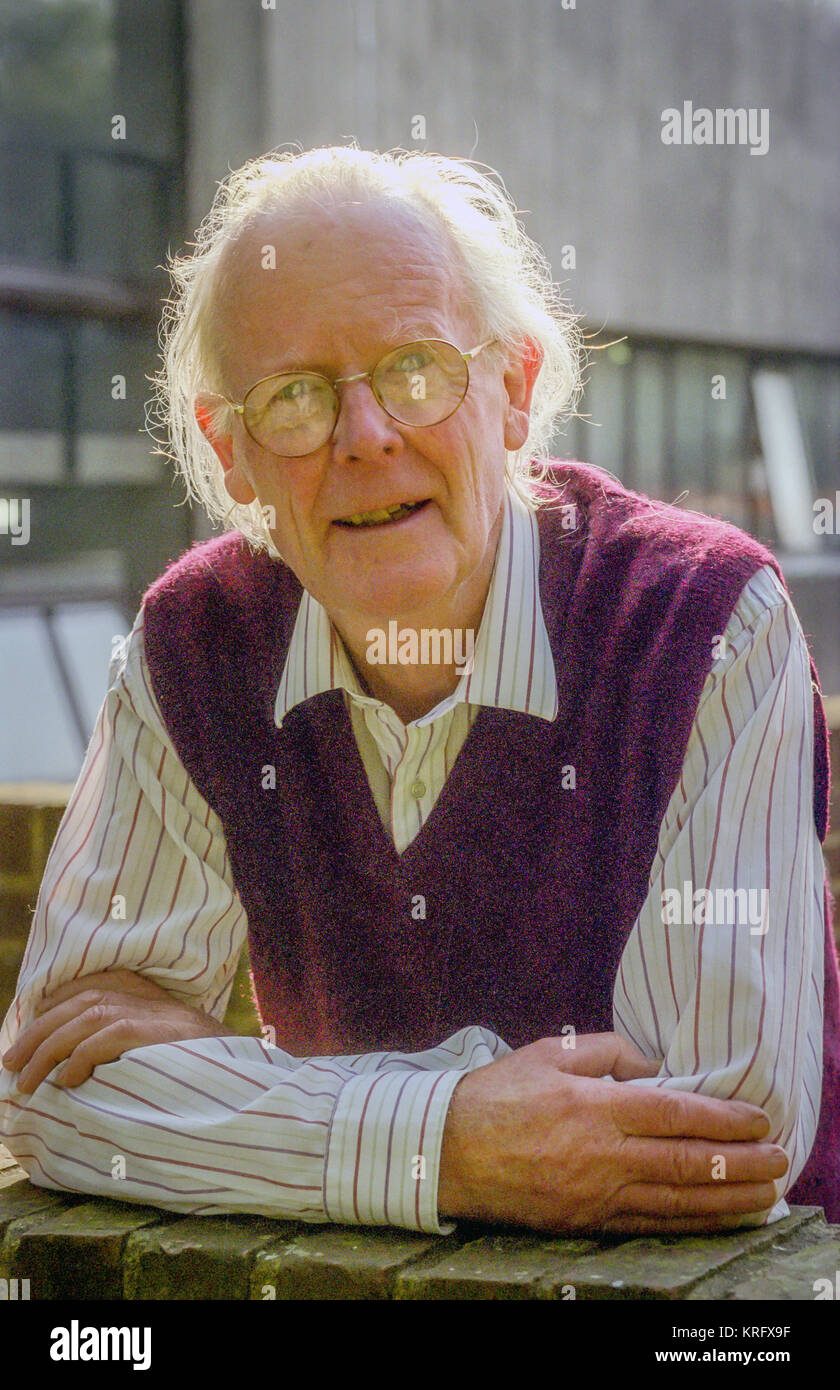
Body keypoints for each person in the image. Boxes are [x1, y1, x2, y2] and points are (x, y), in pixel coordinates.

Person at [1, 146, 837, 1236]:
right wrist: (454, 1139)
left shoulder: (707, 622)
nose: (365, 437)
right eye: (294, 396)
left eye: (415, 367)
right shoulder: (197, 647)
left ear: (516, 389)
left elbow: (722, 1137)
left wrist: (256, 1102)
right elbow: (55, 1096)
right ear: (232, 450)